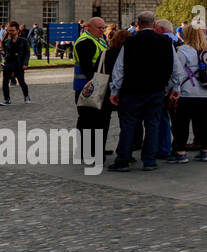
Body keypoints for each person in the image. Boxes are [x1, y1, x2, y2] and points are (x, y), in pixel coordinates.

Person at [108, 11, 179, 171]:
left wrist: (115, 90)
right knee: (152, 125)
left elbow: (119, 69)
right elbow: (175, 69)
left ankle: (123, 160)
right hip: (156, 90)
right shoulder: (166, 42)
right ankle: (149, 160)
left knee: (128, 125)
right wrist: (175, 88)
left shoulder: (130, 42)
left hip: (132, 90)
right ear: (154, 25)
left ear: (138, 25)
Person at [169, 24, 207, 163]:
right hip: (206, 92)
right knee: (203, 122)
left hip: (187, 91)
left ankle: (180, 152)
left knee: (182, 123)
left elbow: (177, 72)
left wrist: (174, 89)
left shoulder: (184, 50)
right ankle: (205, 150)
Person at [72, 17, 111, 152]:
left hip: (96, 85)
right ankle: (86, 150)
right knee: (87, 120)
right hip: (86, 87)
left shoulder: (99, 39)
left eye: (103, 27)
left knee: (99, 120)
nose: (102, 30)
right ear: (88, 27)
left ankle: (97, 148)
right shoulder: (86, 42)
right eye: (99, 28)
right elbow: (87, 68)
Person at [2, 20, 31, 104]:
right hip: (8, 63)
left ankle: (26, 96)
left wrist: (25, 63)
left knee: (21, 82)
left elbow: (27, 53)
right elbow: (4, 51)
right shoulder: (7, 41)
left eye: (12, 30)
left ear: (18, 30)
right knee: (5, 82)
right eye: (9, 30)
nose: (10, 32)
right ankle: (7, 99)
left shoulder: (23, 41)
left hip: (19, 64)